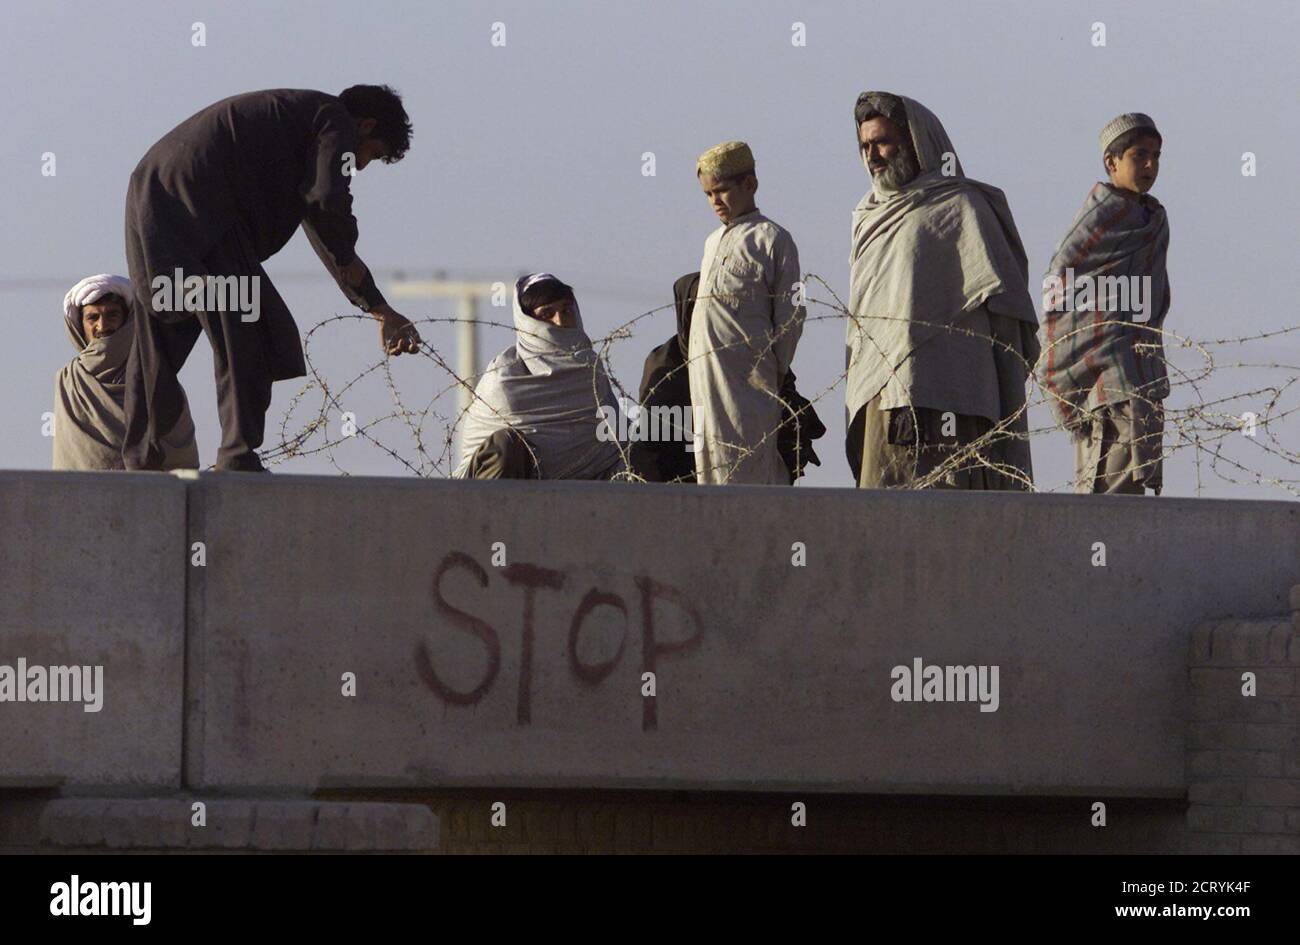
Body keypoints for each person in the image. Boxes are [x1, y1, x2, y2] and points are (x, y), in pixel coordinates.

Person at [122, 86, 422, 472]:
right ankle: (237, 456)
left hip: (153, 198)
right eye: (372, 154)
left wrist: (375, 305)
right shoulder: (336, 123)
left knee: (159, 339)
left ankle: (139, 462)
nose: (360, 167)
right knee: (250, 331)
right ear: (365, 126)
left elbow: (319, 220)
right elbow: (328, 201)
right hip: (209, 211)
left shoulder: (299, 122)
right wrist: (349, 257)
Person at [845, 92, 1039, 490]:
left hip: (954, 394)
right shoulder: (867, 216)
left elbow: (1007, 316)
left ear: (916, 141)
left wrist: (1004, 395)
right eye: (865, 146)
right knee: (886, 521)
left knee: (957, 518)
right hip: (883, 396)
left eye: (882, 142)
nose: (873, 156)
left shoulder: (964, 207)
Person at [1039, 113, 1170, 495]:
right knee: (1107, 497)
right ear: (1112, 162)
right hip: (1106, 378)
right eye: (1139, 155)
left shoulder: (1151, 216)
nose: (1150, 165)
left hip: (1143, 369)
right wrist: (1105, 330)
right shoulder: (1104, 213)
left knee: (1133, 493)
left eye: (1156, 156)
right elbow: (1060, 279)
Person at [632, 272, 824, 484]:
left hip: (754, 491)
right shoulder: (666, 367)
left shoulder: (750, 355)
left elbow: (792, 421)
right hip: (678, 493)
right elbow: (653, 448)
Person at [689, 141, 806, 484]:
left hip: (749, 383)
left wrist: (775, 373)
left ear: (750, 185)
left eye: (722, 190)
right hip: (706, 377)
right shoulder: (712, 242)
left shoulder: (772, 239)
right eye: (709, 194)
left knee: (747, 466)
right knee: (709, 465)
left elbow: (790, 316)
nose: (715, 202)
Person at [453, 273, 623, 481]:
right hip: (504, 497)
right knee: (504, 445)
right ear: (528, 322)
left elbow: (613, 445)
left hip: (587, 494)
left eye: (566, 310)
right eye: (547, 313)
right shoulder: (506, 379)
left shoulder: (590, 373)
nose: (559, 321)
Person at [53, 274, 198, 471]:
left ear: (127, 320)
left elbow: (179, 450)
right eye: (93, 317)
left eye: (111, 315)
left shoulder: (155, 376)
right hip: (84, 497)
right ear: (80, 326)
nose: (102, 326)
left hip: (153, 495)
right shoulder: (68, 379)